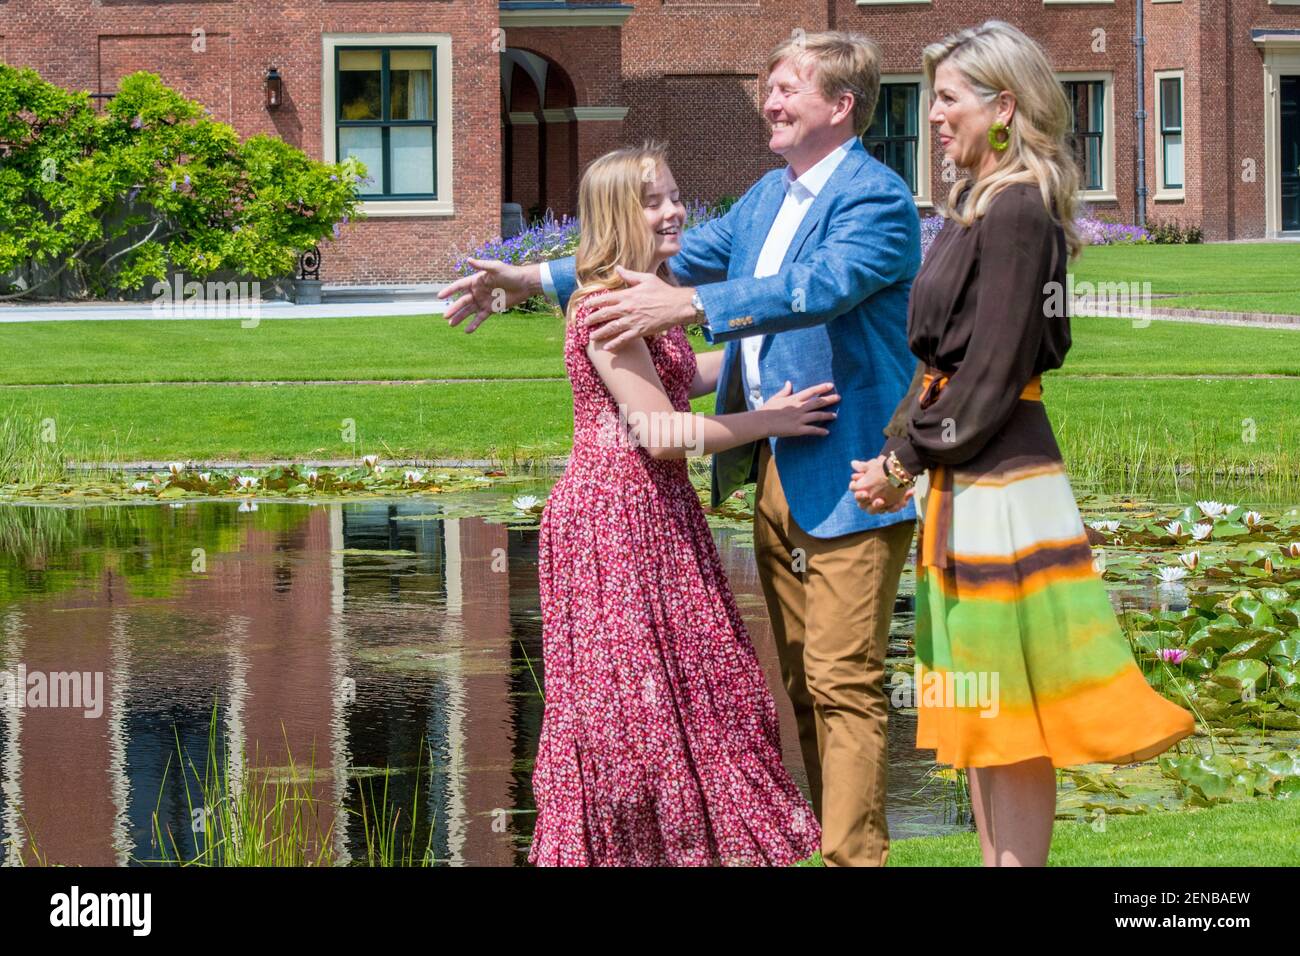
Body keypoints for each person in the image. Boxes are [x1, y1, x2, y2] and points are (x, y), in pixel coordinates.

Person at [440, 31, 920, 867]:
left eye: (788, 89)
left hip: (851, 474)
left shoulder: (876, 200)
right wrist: (531, 278)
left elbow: (816, 289)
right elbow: (655, 261)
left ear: (841, 108)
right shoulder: (769, 197)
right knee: (804, 686)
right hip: (771, 475)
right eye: (769, 85)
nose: (769, 101)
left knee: (842, 684)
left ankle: (852, 861)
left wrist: (692, 310)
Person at [850, 20, 1195, 867]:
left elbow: (996, 369)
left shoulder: (1016, 210)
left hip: (1000, 481)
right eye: (933, 99)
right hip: (965, 478)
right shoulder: (979, 206)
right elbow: (944, 361)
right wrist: (905, 451)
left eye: (949, 100)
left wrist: (904, 458)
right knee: (977, 696)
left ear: (1003, 109)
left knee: (1007, 701)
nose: (934, 116)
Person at [528, 141, 829, 866]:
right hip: (612, 518)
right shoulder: (601, 307)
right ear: (616, 215)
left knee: (701, 680)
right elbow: (660, 432)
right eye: (654, 200)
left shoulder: (641, 296)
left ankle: (702, 842)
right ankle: (640, 847)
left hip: (652, 513)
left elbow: (684, 374)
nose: (673, 211)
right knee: (633, 708)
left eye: (673, 195)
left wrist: (783, 339)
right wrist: (772, 420)